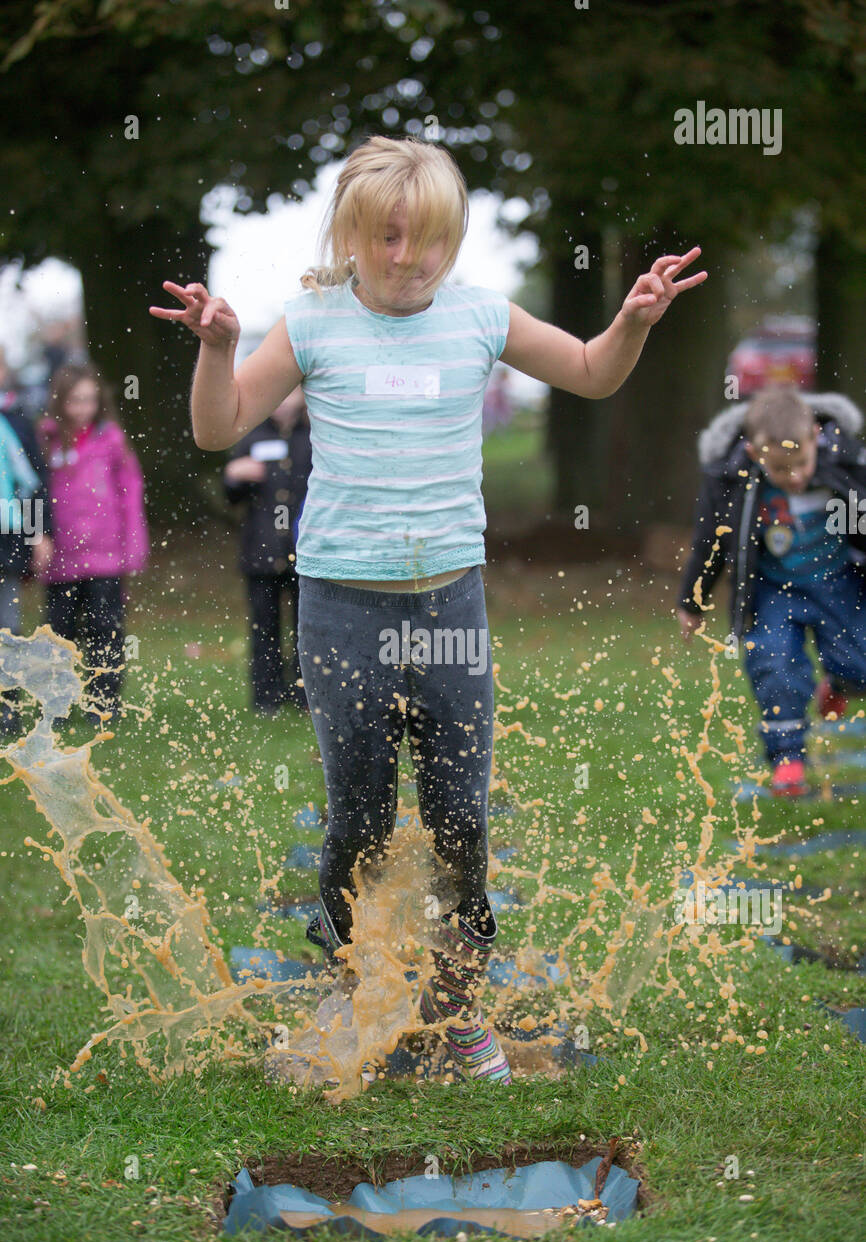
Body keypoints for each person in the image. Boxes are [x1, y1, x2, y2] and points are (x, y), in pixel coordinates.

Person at [151, 133, 706, 1082]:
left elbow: (588, 371)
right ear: (353, 235)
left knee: (460, 818)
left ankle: (457, 1014)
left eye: (431, 241)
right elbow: (216, 426)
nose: (410, 260)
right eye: (388, 239)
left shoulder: (481, 316)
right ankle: (357, 988)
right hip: (340, 607)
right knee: (356, 818)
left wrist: (635, 323)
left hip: (450, 603)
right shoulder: (315, 320)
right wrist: (218, 350)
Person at [677, 384, 866, 796]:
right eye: (781, 470)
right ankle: (787, 759)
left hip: (838, 582)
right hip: (774, 590)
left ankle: (840, 685)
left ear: (815, 437)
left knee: (861, 662)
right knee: (774, 664)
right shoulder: (731, 480)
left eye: (801, 463)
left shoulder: (848, 461)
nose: (794, 477)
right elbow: (710, 540)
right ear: (752, 453)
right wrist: (692, 601)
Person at [38, 363, 149, 724]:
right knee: (59, 633)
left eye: (89, 400)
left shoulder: (111, 439)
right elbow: (33, 492)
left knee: (106, 629)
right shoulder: (45, 439)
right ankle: (56, 704)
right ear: (60, 402)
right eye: (75, 401)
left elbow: (130, 494)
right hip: (61, 558)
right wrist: (34, 540)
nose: (82, 408)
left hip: (106, 556)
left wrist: (133, 549)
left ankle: (104, 704)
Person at [222, 386, 311, 713]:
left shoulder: (313, 437)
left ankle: (306, 695)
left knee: (307, 628)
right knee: (264, 627)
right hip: (261, 550)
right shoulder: (253, 437)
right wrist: (235, 477)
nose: (283, 402)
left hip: (305, 552)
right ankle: (266, 696)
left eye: (291, 393)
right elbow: (231, 495)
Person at [0, 349, 54, 739]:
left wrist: (37, 534)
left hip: (6, 539)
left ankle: (6, 715)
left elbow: (32, 485)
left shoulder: (18, 423)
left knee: (7, 628)